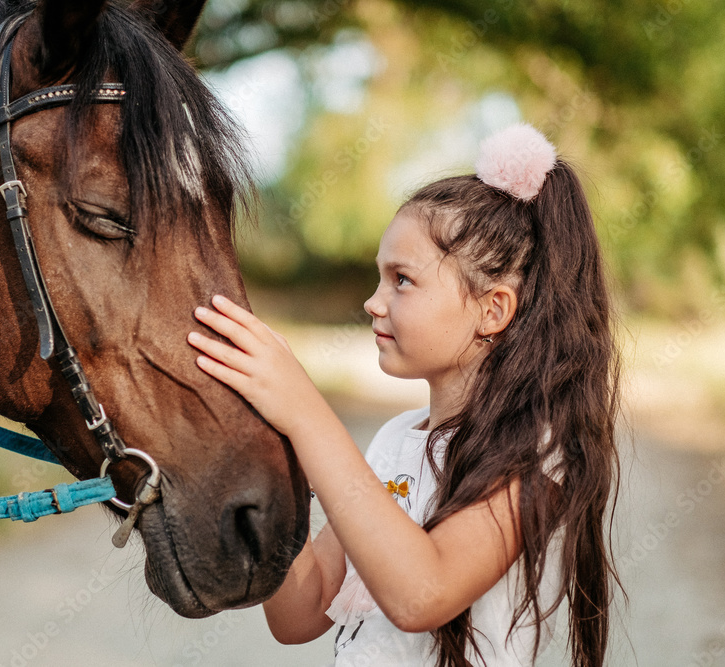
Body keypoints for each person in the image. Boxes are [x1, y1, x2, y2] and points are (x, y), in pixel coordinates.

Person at [186, 123, 621, 666]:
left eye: (402, 280)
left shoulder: (534, 457)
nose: (373, 302)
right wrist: (273, 443)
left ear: (494, 310)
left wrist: (305, 411)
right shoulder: (397, 440)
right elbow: (301, 612)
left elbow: (422, 594)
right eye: (378, 278)